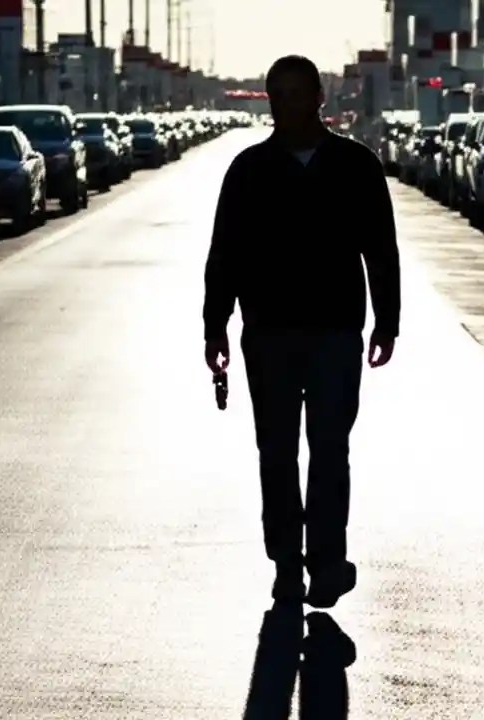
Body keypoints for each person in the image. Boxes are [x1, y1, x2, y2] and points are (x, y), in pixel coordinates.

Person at [202, 55, 400, 608]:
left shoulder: (356, 166)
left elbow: (380, 250)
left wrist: (388, 320)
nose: (288, 105)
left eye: (298, 93)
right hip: (268, 335)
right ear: (269, 100)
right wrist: (214, 326)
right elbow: (226, 254)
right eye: (278, 95)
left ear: (319, 97)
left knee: (331, 450)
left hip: (336, 332)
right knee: (277, 452)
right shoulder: (249, 171)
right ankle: (288, 560)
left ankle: (327, 563)